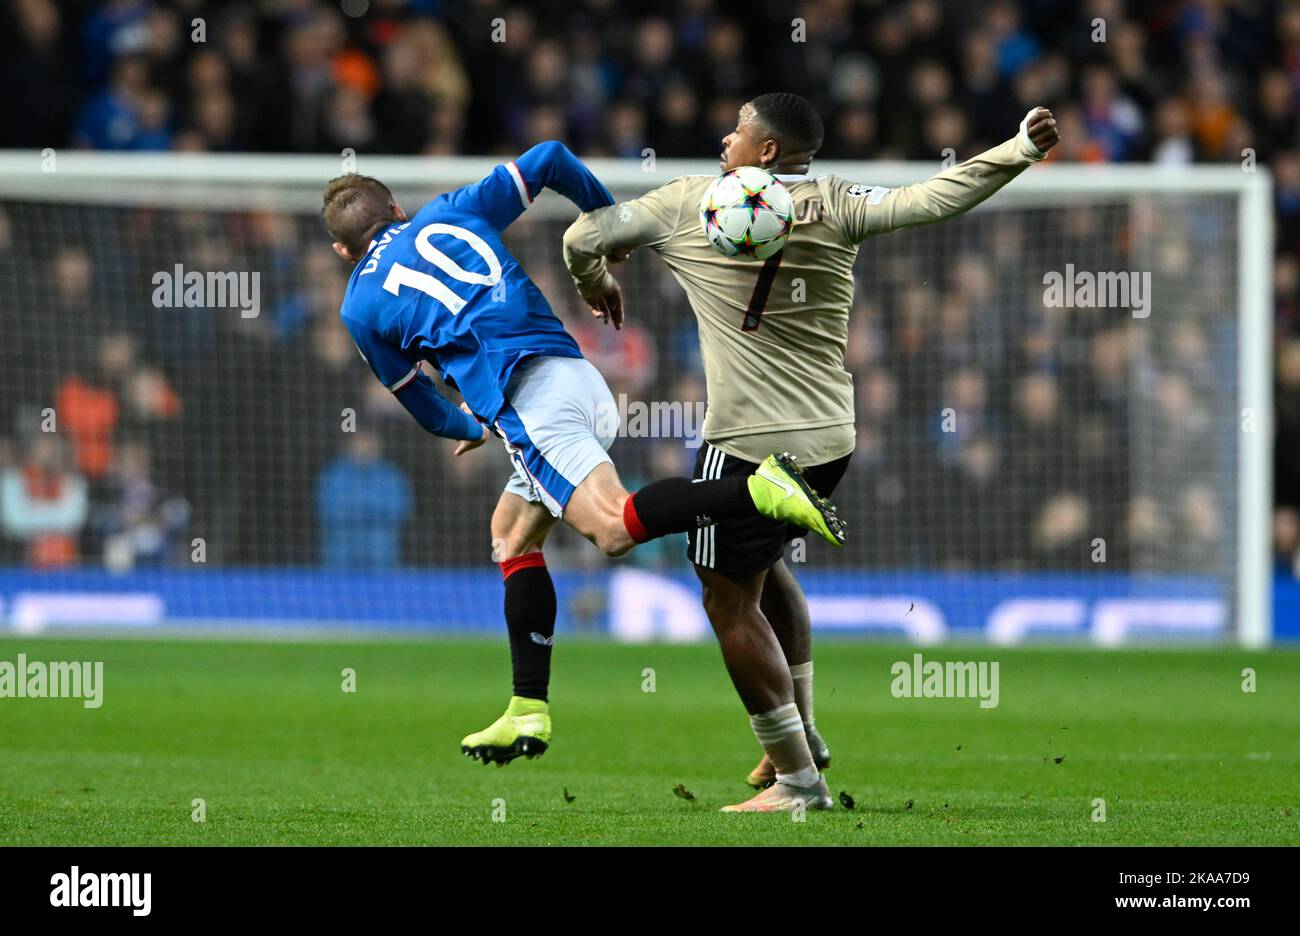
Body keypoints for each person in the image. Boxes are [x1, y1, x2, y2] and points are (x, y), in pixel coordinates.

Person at [563, 93, 1060, 812]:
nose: (725, 136)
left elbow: (584, 236)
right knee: (764, 568)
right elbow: (934, 198)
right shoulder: (836, 203)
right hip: (830, 441)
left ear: (767, 152)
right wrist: (1018, 148)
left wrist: (595, 279)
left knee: (726, 601)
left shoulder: (686, 203)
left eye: (738, 129)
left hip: (746, 447)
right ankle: (805, 735)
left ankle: (797, 780)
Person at [322, 139, 844, 770]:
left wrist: (465, 422)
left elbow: (420, 402)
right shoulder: (448, 211)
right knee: (511, 535)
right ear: (397, 208)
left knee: (614, 529)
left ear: (342, 253)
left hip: (534, 404)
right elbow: (549, 158)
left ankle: (758, 488)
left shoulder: (358, 304)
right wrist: (606, 228)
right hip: (580, 377)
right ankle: (527, 708)